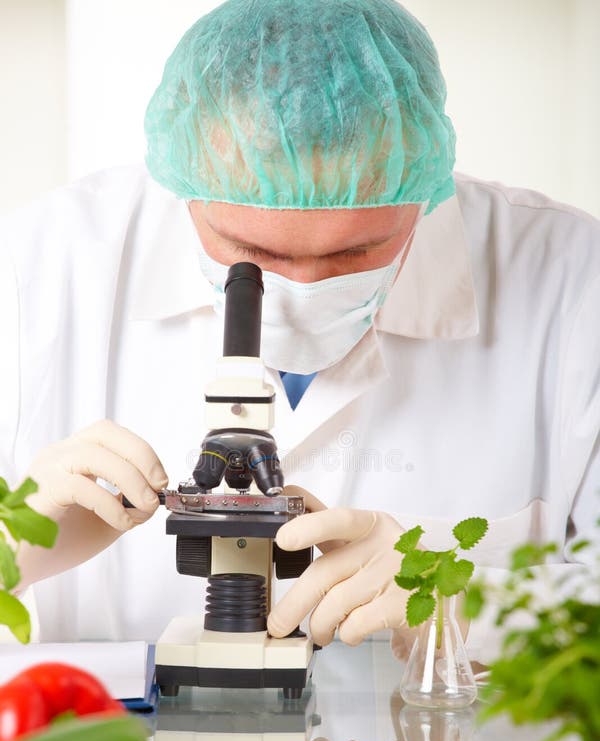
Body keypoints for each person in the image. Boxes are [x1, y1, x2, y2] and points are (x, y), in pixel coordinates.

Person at [0, 0, 598, 655]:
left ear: (424, 187)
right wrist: (15, 548)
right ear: (186, 186)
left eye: (355, 252)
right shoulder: (39, 268)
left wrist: (475, 609)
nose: (304, 290)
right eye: (250, 253)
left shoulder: (573, 281)